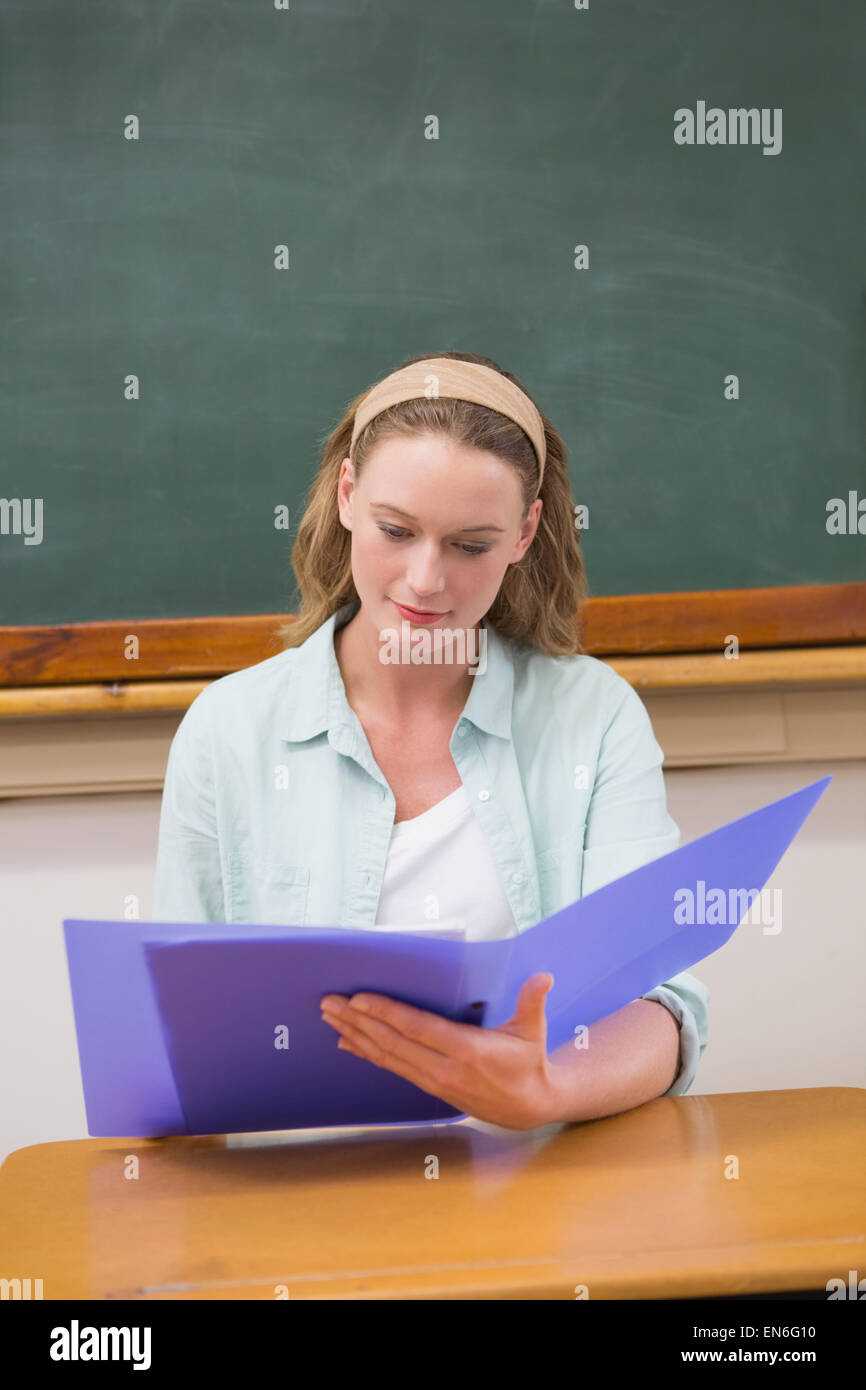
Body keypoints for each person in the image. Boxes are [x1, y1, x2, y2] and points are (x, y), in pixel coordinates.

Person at [152, 350, 709, 1130]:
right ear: (347, 495)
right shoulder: (230, 729)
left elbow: (662, 1002)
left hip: (540, 1202)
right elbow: (174, 1023)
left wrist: (545, 1088)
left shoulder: (594, 716)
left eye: (470, 545)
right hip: (298, 1205)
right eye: (395, 529)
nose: (423, 580)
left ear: (525, 533)